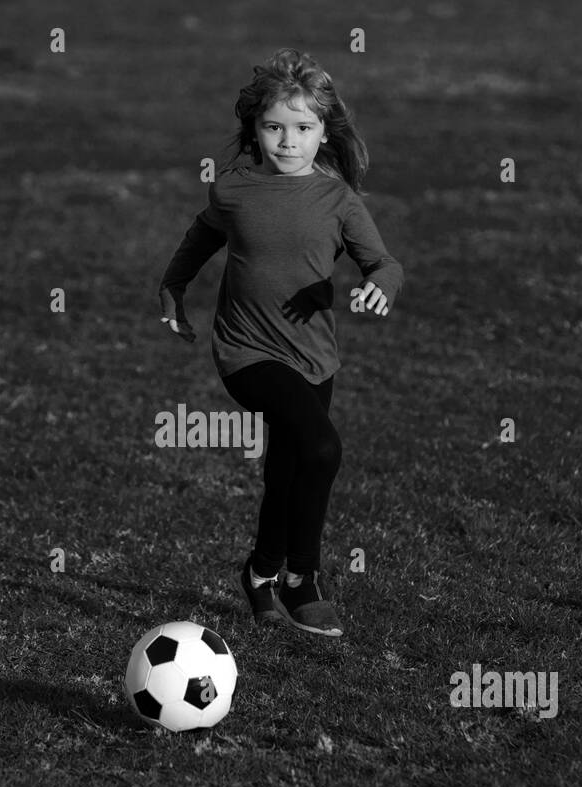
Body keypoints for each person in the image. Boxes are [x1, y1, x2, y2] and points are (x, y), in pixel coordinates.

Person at [158, 48, 404, 637]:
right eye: (274, 127)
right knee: (321, 449)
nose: (288, 141)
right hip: (246, 353)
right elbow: (198, 240)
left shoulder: (339, 200)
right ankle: (302, 579)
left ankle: (259, 573)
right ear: (255, 131)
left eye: (302, 128)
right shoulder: (234, 192)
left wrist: (380, 288)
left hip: (315, 358)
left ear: (323, 132)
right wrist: (173, 290)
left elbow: (384, 263)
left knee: (290, 469)